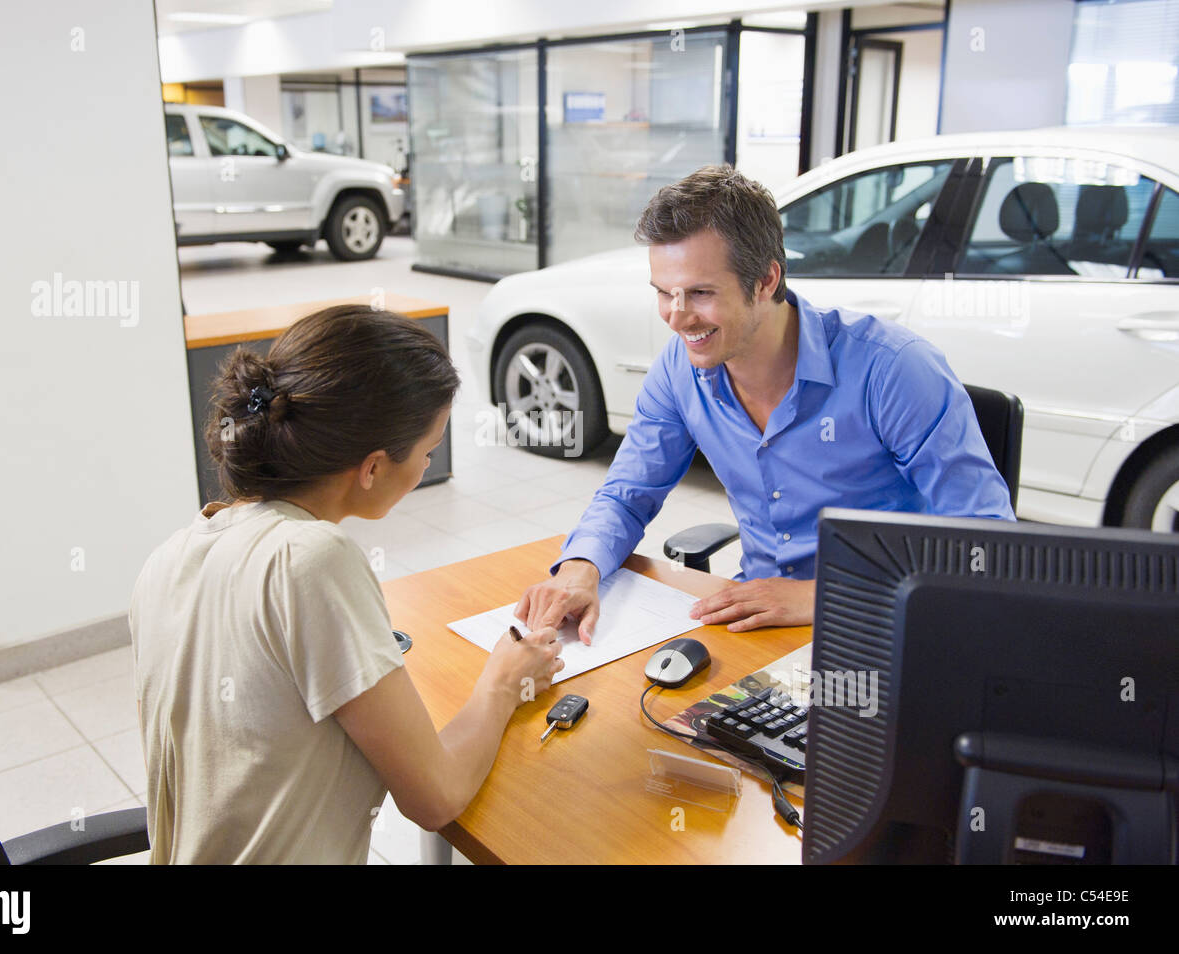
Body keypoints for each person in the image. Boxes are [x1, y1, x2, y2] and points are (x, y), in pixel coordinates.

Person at [130, 304, 562, 864]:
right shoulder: (313, 559)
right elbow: (436, 799)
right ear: (374, 467)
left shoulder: (170, 555)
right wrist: (504, 681)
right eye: (428, 451)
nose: (428, 466)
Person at [515, 165, 1014, 640]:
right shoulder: (680, 367)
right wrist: (581, 570)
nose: (678, 316)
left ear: (767, 281)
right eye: (665, 293)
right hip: (757, 616)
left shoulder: (894, 369)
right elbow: (628, 494)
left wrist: (818, 597)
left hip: (884, 616)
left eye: (701, 292)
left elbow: (986, 545)